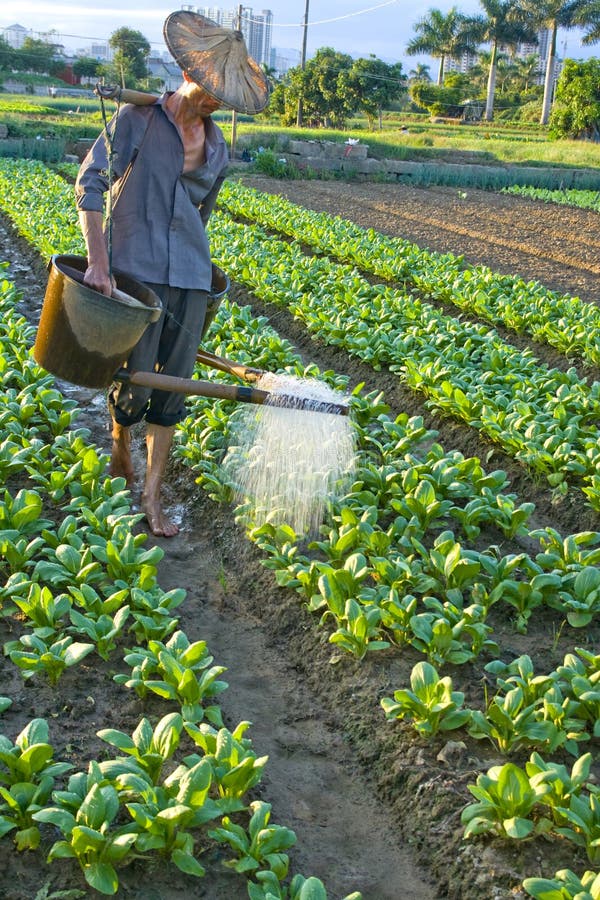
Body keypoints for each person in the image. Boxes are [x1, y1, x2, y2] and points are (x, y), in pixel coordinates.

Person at [75, 11, 269, 537]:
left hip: (189, 278)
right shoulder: (136, 122)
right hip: (134, 272)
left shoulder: (218, 147)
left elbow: (202, 216)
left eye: (222, 96)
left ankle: (152, 494)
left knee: (174, 388)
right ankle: (120, 442)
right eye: (209, 90)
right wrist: (97, 262)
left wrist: (201, 272)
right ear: (191, 73)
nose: (214, 102)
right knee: (133, 381)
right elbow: (89, 185)